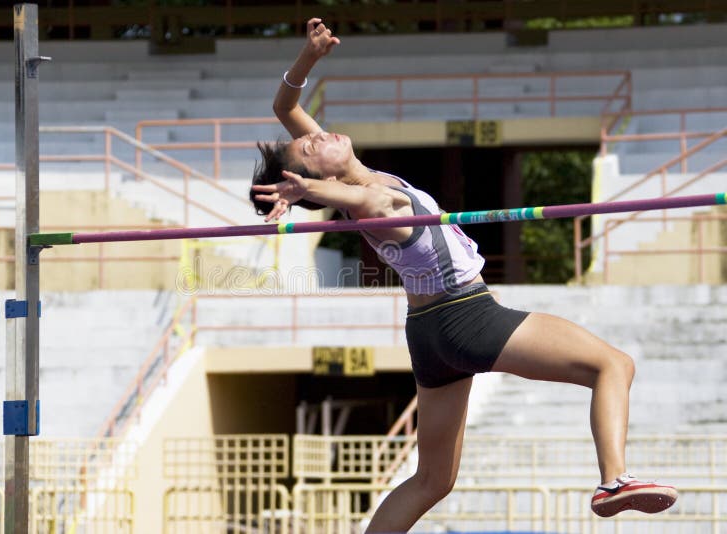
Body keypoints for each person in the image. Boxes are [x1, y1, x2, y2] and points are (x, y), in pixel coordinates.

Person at [250, 18, 678, 531]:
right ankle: (614, 481)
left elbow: (284, 108)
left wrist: (308, 58)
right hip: (466, 315)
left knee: (433, 480)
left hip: (428, 334)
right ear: (319, 177)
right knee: (614, 365)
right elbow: (364, 198)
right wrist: (310, 194)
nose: (320, 135)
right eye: (312, 149)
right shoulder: (372, 201)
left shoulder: (348, 172)